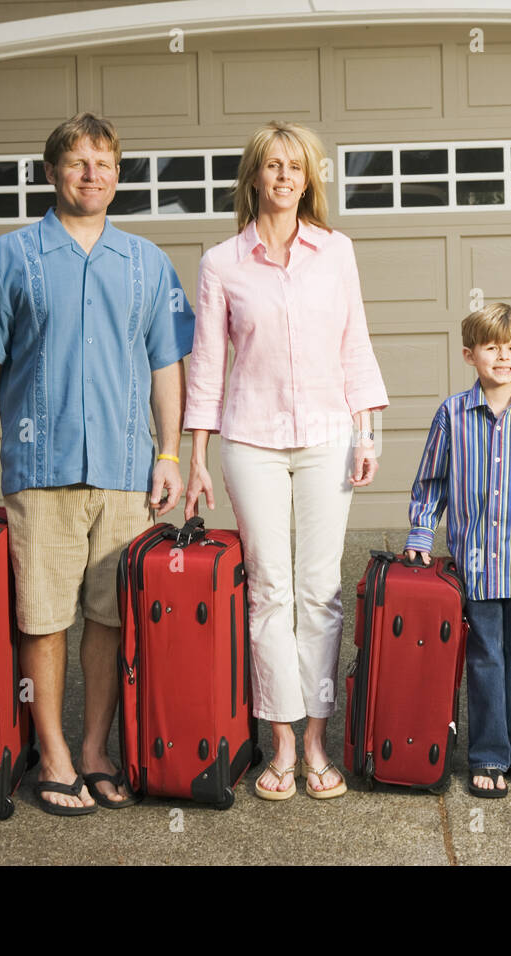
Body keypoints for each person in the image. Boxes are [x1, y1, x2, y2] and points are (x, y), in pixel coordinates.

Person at [0, 113, 195, 815]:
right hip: (41, 468)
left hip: (125, 470)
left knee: (111, 618)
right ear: (52, 171)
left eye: (105, 164)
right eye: (78, 162)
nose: (92, 175)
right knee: (43, 618)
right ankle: (52, 753)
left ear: (119, 176)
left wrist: (170, 453)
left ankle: (95, 749)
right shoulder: (8, 256)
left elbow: (166, 366)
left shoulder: (148, 262)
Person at [184, 120, 388, 801]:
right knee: (270, 589)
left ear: (308, 179)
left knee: (320, 590)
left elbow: (354, 345)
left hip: (330, 434)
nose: (283, 176)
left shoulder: (337, 252)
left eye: (294, 167)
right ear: (253, 177)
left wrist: (368, 434)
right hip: (250, 441)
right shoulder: (222, 264)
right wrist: (197, 458)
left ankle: (316, 743)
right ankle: (277, 744)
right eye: (271, 165)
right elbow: (207, 366)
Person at [405, 302, 511, 798]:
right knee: (483, 658)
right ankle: (487, 754)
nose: (503, 357)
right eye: (492, 347)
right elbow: (431, 481)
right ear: (469, 353)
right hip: (475, 565)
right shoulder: (452, 414)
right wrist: (420, 534)